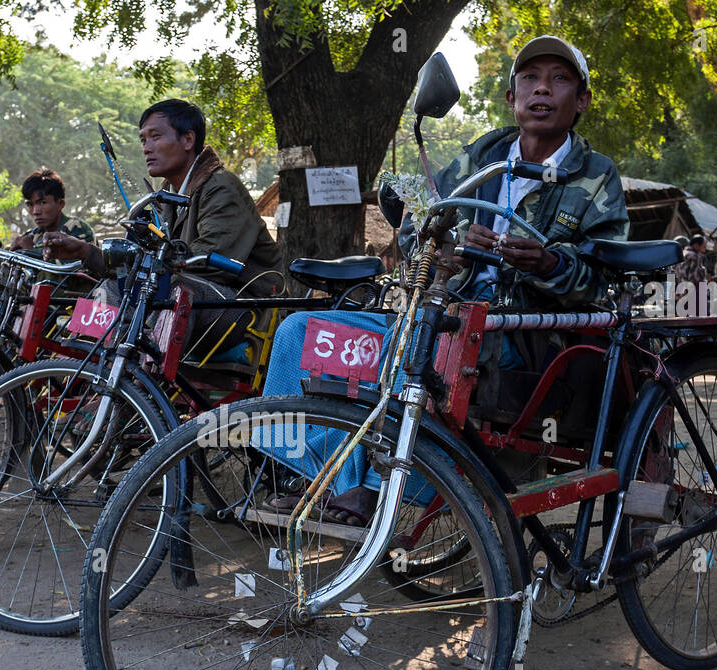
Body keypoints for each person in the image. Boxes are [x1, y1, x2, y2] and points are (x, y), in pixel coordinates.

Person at [263, 34, 630, 522]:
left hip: (528, 335)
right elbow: (421, 225)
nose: (542, 89)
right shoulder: (481, 157)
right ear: (511, 97)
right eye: (530, 79)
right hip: (446, 314)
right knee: (301, 333)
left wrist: (548, 264)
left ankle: (376, 488)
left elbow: (605, 277)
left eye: (559, 79)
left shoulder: (597, 176)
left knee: (421, 351)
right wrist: (444, 250)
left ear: (581, 100)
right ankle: (326, 477)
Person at [45, 99, 283, 357]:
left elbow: (208, 263)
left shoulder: (220, 187)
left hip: (247, 310)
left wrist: (144, 263)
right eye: (143, 140)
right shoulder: (166, 196)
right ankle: (90, 374)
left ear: (188, 140)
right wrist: (85, 252)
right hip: (200, 301)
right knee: (112, 286)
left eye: (155, 137)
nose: (146, 148)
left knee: (167, 286)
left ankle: (135, 384)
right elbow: (142, 261)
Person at [10, 167, 95, 251]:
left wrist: (30, 252)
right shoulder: (32, 235)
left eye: (43, 203)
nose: (36, 212)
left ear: (60, 204)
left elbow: (74, 263)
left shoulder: (77, 229)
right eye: (30, 204)